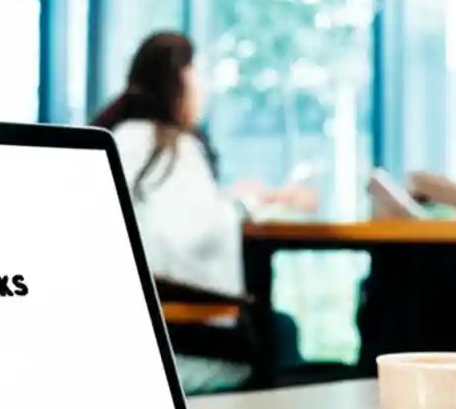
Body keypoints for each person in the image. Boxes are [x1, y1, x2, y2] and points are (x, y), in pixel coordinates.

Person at [91, 32, 313, 373]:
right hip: (183, 338)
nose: (204, 89)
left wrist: (229, 200)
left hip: (119, 328)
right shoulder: (169, 146)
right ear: (180, 77)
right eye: (199, 73)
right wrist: (243, 205)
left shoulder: (116, 138)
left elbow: (163, 221)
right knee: (279, 332)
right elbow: (195, 236)